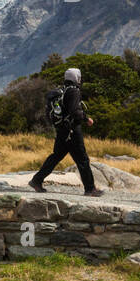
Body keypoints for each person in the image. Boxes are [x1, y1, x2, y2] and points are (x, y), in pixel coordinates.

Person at [28, 67, 102, 197]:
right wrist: (86, 118)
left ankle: (36, 180)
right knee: (83, 159)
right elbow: (74, 111)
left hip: (62, 130)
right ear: (76, 78)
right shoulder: (74, 91)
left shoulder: (62, 90)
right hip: (72, 131)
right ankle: (90, 189)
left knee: (56, 156)